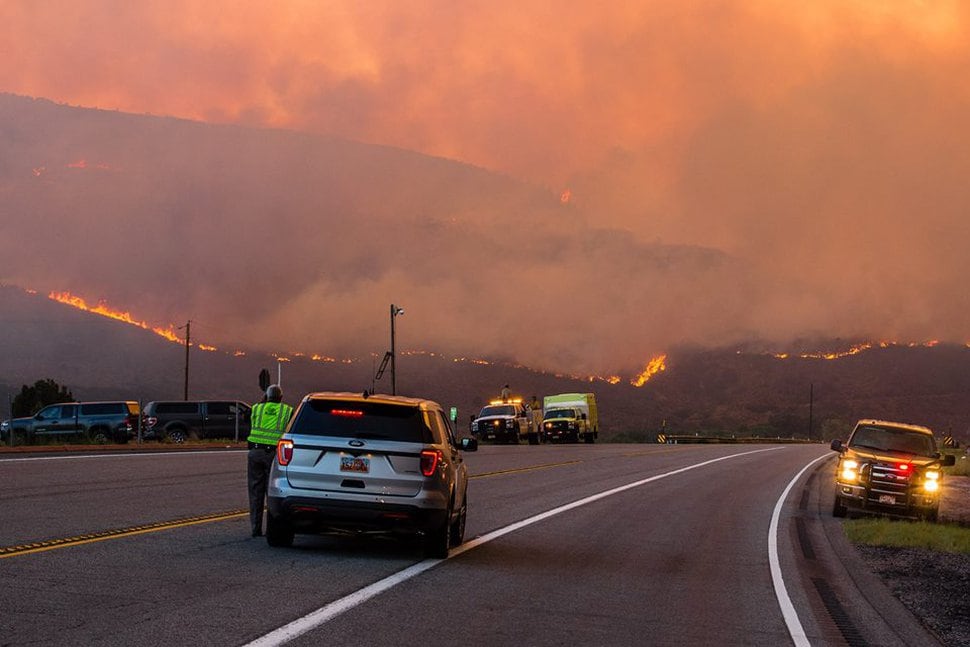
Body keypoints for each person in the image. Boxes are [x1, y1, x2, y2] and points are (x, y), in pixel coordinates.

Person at [247, 384, 294, 537]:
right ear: (281, 397)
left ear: (266, 396)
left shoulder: (256, 408)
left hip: (255, 453)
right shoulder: (287, 411)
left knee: (255, 492)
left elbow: (248, 417)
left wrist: (263, 400)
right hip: (273, 455)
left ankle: (255, 528)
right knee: (273, 493)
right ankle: (272, 529)